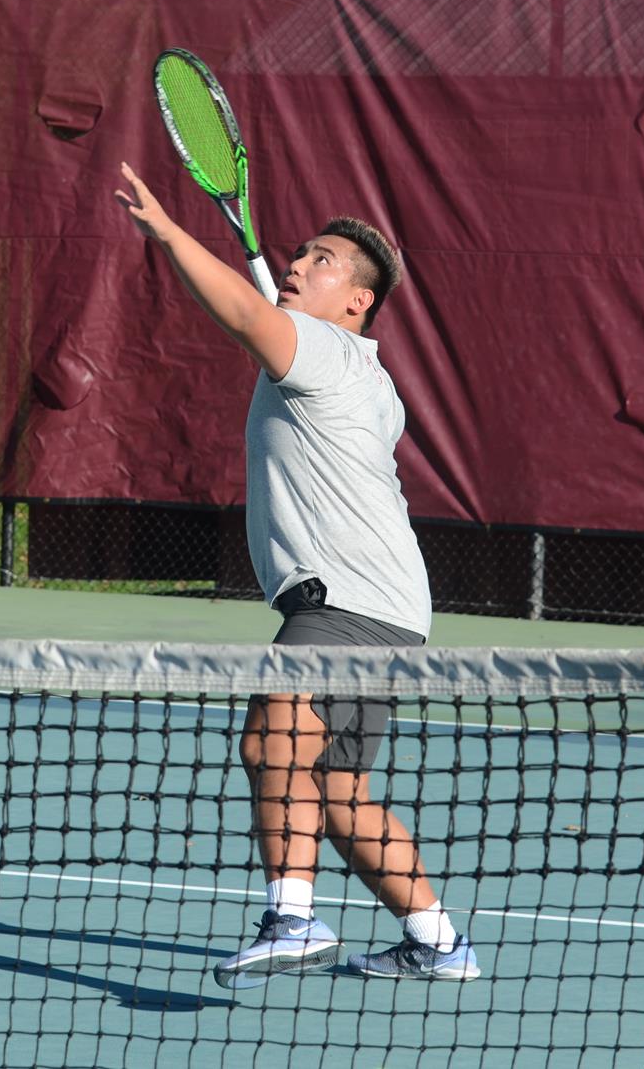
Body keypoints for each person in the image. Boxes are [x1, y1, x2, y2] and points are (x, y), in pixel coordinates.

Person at [112, 163, 480, 988]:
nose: (295, 264)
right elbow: (261, 321)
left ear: (356, 300)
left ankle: (292, 917)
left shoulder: (325, 353)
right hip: (389, 606)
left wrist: (170, 232)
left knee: (268, 741)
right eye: (298, 254)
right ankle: (438, 942)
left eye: (320, 262)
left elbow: (245, 313)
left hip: (344, 601)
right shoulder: (365, 375)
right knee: (338, 791)